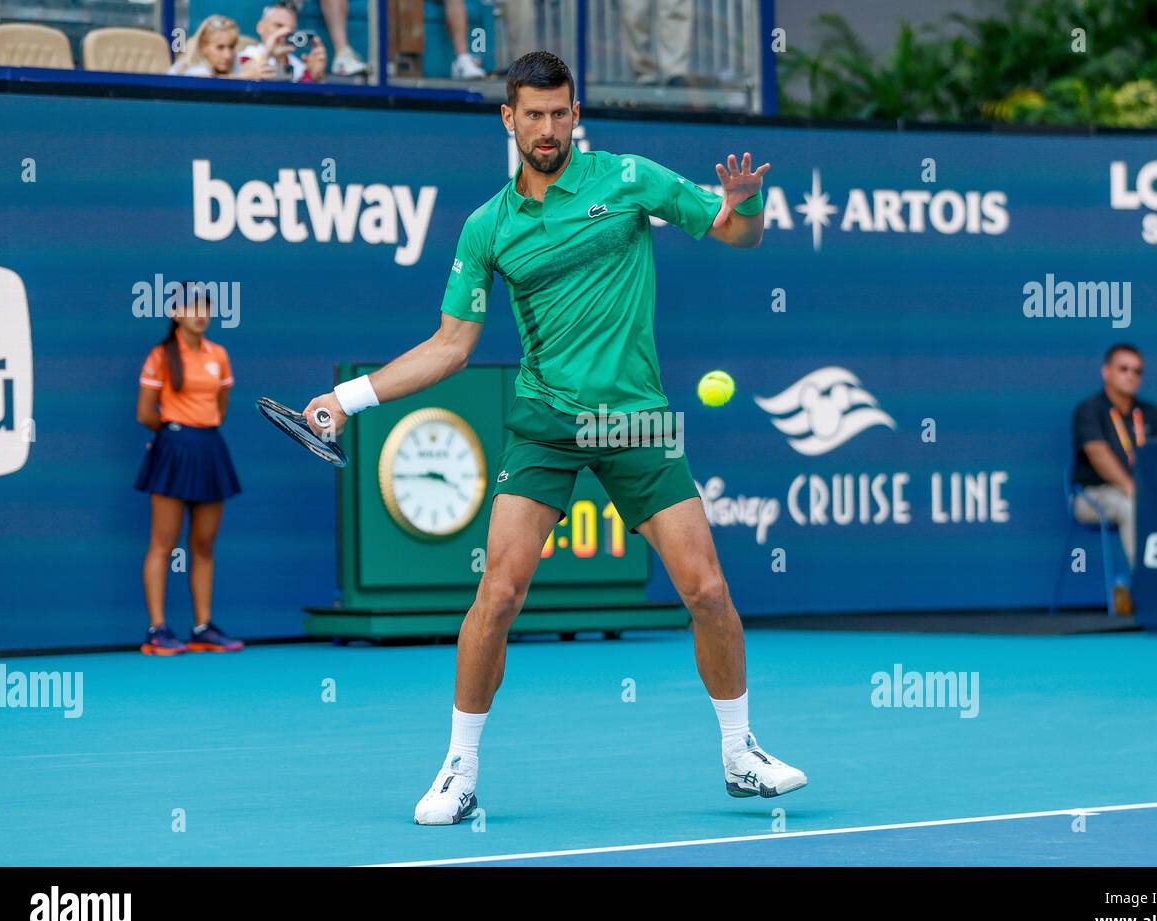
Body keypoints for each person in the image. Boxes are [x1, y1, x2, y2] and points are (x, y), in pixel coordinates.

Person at [301, 51, 803, 825]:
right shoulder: (488, 228)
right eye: (531, 115)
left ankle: (741, 753)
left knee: (706, 589)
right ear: (509, 119)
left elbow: (739, 234)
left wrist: (750, 200)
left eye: (558, 113)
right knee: (497, 595)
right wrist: (346, 398)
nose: (546, 128)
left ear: (576, 114)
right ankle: (459, 768)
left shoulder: (630, 179)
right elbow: (449, 346)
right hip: (545, 422)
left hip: (635, 418)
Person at [135, 284, 244, 656]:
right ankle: (157, 630)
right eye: (191, 307)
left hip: (210, 447)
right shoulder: (161, 356)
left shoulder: (220, 355)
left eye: (205, 307)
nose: (200, 313)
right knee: (163, 544)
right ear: (176, 313)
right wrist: (175, 437)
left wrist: (199, 432)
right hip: (173, 449)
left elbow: (222, 406)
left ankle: (202, 627)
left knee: (203, 545)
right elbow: (145, 413)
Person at [1071, 342, 1157, 609]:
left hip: (1143, 493)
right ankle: (1153, 592)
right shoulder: (1089, 409)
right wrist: (1130, 487)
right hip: (1093, 496)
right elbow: (1097, 453)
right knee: (1130, 506)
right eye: (1123, 369)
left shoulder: (1150, 413)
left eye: (1137, 371)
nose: (1131, 375)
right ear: (1107, 372)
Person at [238, 1, 327, 83]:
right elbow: (246, 78)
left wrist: (313, 77)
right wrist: (268, 52)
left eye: (291, 30)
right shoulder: (248, 54)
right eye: (279, 26)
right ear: (260, 27)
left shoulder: (298, 66)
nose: (284, 33)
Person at [620, 0, 692, 86]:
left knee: (674, 9)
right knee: (635, 12)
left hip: (674, 69)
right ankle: (645, 70)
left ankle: (674, 73)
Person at [168, 14, 242, 78]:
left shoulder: (236, 62)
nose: (228, 55)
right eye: (220, 47)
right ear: (202, 46)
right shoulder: (194, 72)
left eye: (231, 47)